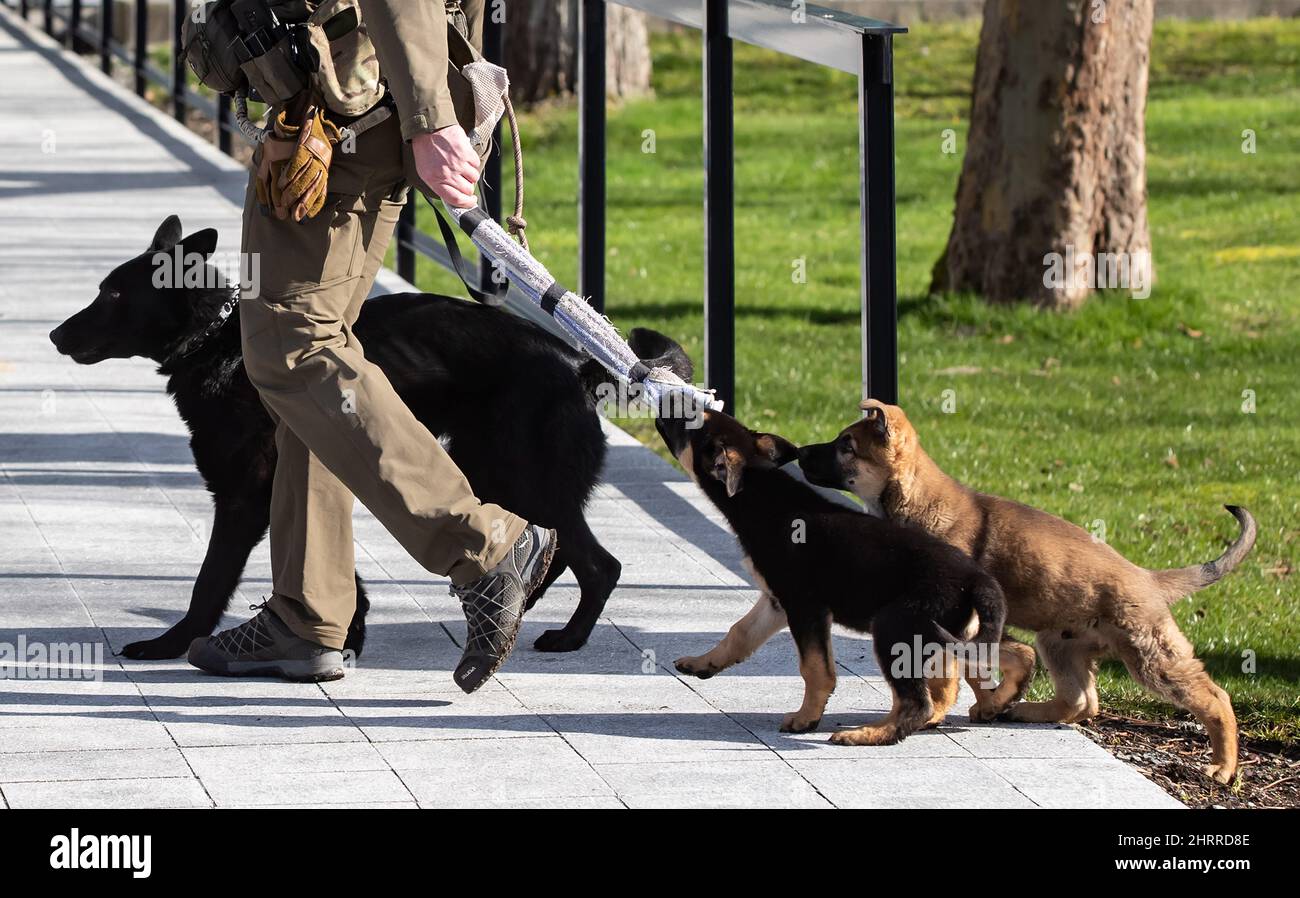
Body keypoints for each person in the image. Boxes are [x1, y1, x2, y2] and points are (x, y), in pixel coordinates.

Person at [187, 0, 556, 694]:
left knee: (293, 347)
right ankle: (306, 616)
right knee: (311, 359)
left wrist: (430, 115)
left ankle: (481, 545)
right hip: (351, 95)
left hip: (346, 103)